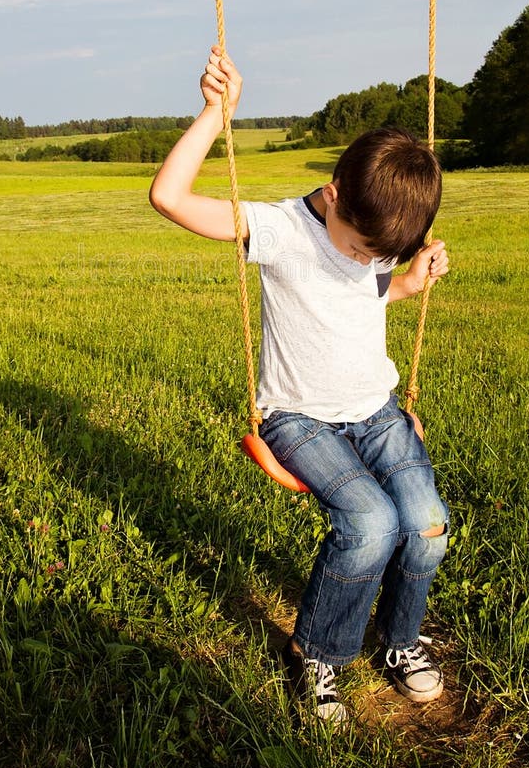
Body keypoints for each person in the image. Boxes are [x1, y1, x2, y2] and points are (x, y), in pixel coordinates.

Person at [149, 46, 450, 724]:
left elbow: (362, 297)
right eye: (357, 250)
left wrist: (406, 282)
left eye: (377, 256)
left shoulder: (370, 232)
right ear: (335, 194)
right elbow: (167, 197)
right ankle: (317, 652)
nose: (363, 262)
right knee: (370, 525)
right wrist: (214, 115)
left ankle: (400, 642)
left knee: (427, 527)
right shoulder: (282, 229)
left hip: (375, 410)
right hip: (300, 419)